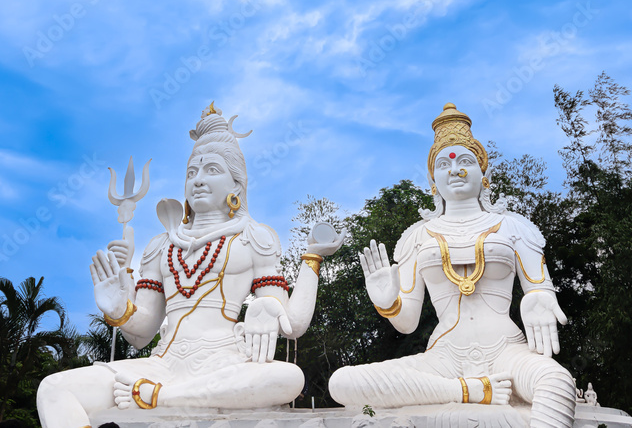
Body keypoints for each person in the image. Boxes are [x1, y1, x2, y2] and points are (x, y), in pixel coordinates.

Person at [36, 105, 343, 428]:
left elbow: (292, 323)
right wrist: (119, 310)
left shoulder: (255, 238)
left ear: (236, 186)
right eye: (191, 172)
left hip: (226, 364)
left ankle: (163, 397)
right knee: (53, 390)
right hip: (161, 364)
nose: (198, 180)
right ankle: (159, 391)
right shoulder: (161, 245)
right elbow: (141, 336)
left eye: (211, 170)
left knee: (288, 377)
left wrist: (309, 261)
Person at [328, 103, 575, 428]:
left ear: (482, 174)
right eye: (443, 163)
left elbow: (539, 287)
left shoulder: (515, 228)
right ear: (433, 180)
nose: (455, 170)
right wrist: (387, 301)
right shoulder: (416, 237)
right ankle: (467, 391)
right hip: (443, 359)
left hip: (507, 352)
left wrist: (538, 298)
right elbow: (407, 324)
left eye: (466, 162)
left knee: (556, 383)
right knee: (342, 382)